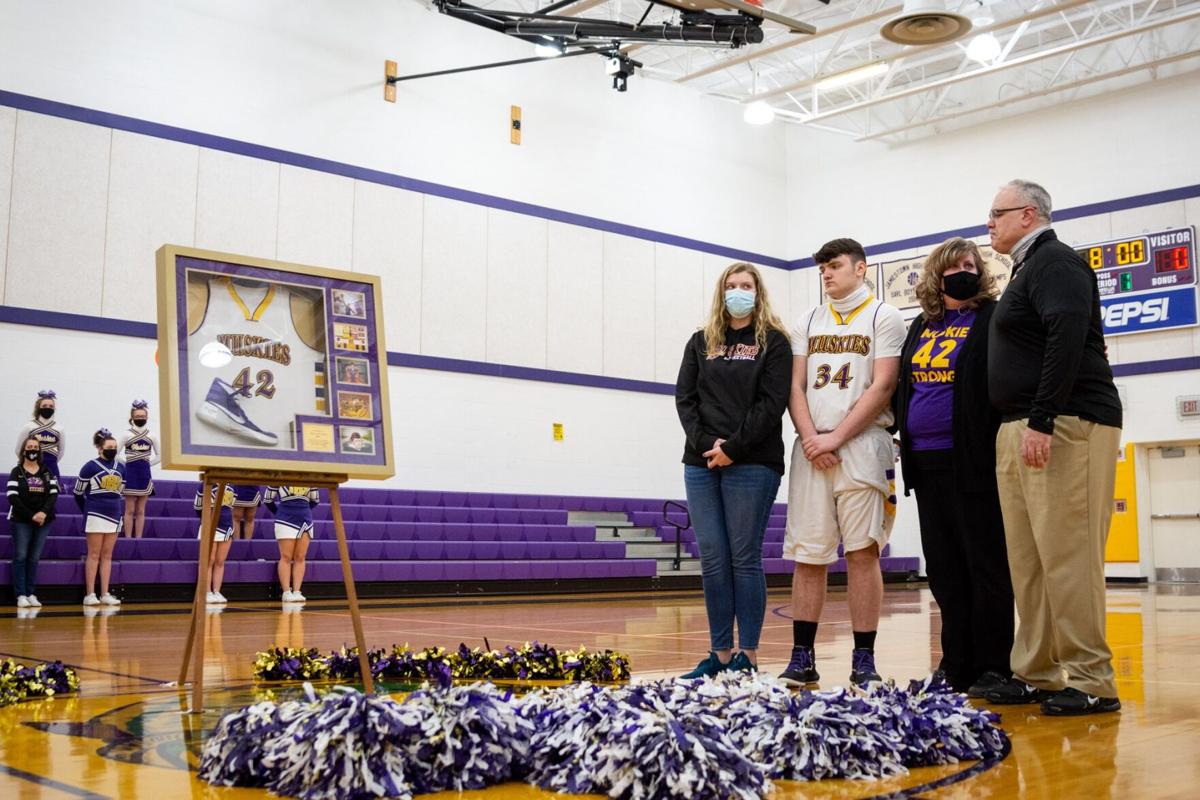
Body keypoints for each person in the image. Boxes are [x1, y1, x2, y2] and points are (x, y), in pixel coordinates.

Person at [984, 179, 1123, 716]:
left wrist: (1042, 418)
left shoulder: (1056, 262)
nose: (989, 224)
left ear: (1028, 213)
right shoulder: (1025, 268)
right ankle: (1038, 672)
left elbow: (1066, 338)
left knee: (1068, 558)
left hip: (1065, 425)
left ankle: (1092, 679)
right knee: (1031, 561)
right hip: (1022, 425)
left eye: (996, 214)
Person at [781, 238, 905, 688]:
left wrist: (835, 436)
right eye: (821, 270)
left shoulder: (884, 316)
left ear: (861, 268)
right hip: (812, 448)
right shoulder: (807, 320)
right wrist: (813, 437)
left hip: (863, 446)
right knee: (808, 556)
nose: (826, 275)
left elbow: (883, 385)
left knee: (861, 554)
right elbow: (794, 386)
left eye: (834, 266)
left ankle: (864, 658)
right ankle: (802, 656)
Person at [893, 237, 1013, 696]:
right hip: (925, 464)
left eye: (971, 264)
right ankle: (955, 662)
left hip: (974, 462)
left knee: (984, 566)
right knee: (944, 570)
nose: (964, 270)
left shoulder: (991, 318)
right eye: (954, 265)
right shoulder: (922, 324)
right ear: (936, 275)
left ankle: (995, 665)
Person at [675, 261, 792, 679]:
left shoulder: (774, 343)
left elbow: (770, 404)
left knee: (744, 558)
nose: (738, 291)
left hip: (753, 463)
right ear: (720, 292)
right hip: (702, 463)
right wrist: (709, 446)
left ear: (758, 293)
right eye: (731, 285)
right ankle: (719, 654)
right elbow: (685, 400)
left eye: (746, 285)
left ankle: (749, 655)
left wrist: (735, 449)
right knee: (712, 559)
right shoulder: (699, 341)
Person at [7, 436, 60, 608]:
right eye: (29, 447)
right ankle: (20, 594)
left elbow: (53, 493)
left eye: (35, 447)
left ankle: (30, 593)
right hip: (22, 520)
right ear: (24, 451)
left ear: (39, 451)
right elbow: (12, 497)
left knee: (34, 558)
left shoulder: (46, 471)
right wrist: (31, 515)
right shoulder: (16, 471)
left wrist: (43, 513)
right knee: (21, 556)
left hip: (44, 520)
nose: (32, 450)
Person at [76, 429, 126, 606]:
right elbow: (78, 492)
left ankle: (105, 592)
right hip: (95, 513)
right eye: (108, 447)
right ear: (99, 449)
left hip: (114, 513)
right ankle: (90, 594)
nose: (112, 449)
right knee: (94, 554)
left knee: (107, 555)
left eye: (114, 447)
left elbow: (120, 492)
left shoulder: (121, 467)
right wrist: (88, 510)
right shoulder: (90, 466)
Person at [265, 486, 320, 603]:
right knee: (286, 556)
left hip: (305, 519)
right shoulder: (279, 475)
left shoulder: (309, 477)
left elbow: (315, 500)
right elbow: (268, 500)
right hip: (285, 519)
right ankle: (286, 592)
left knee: (300, 556)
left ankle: (297, 591)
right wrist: (280, 512)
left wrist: (302, 510)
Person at [118, 400, 160, 538]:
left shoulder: (152, 436)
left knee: (141, 510)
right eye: (138, 416)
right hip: (130, 474)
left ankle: (139, 538)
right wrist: (126, 464)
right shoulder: (126, 434)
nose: (140, 418)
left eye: (143, 416)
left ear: (147, 417)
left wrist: (148, 464)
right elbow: (115, 454)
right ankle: (129, 537)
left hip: (144, 474)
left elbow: (160, 455)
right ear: (132, 417)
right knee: (129, 509)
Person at [195, 484, 238, 604]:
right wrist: (206, 521)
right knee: (209, 560)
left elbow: (231, 507)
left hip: (227, 527)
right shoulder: (205, 484)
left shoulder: (231, 486)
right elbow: (197, 506)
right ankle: (206, 592)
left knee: (220, 561)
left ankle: (216, 591)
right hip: (210, 526)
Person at [16, 390, 66, 480]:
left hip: (51, 468)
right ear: (38, 407)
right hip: (30, 468)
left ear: (54, 409)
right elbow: (18, 449)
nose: (48, 408)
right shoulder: (29, 426)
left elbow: (61, 452)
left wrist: (51, 461)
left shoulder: (59, 428)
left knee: (51, 492)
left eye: (51, 406)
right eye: (44, 406)